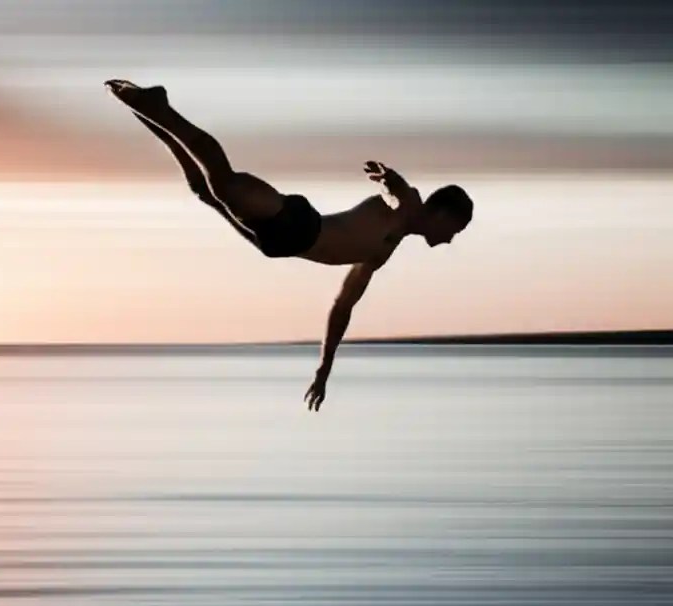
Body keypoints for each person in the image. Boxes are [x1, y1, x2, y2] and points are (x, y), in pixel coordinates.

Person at [105, 79, 474, 412]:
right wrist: (388, 177)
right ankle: (160, 108)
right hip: (297, 222)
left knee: (205, 191)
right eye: (456, 228)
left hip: (278, 243)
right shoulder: (408, 206)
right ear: (443, 215)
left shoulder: (383, 252)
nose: (452, 238)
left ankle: (156, 120)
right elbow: (397, 191)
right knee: (224, 183)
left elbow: (343, 306)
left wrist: (324, 370)